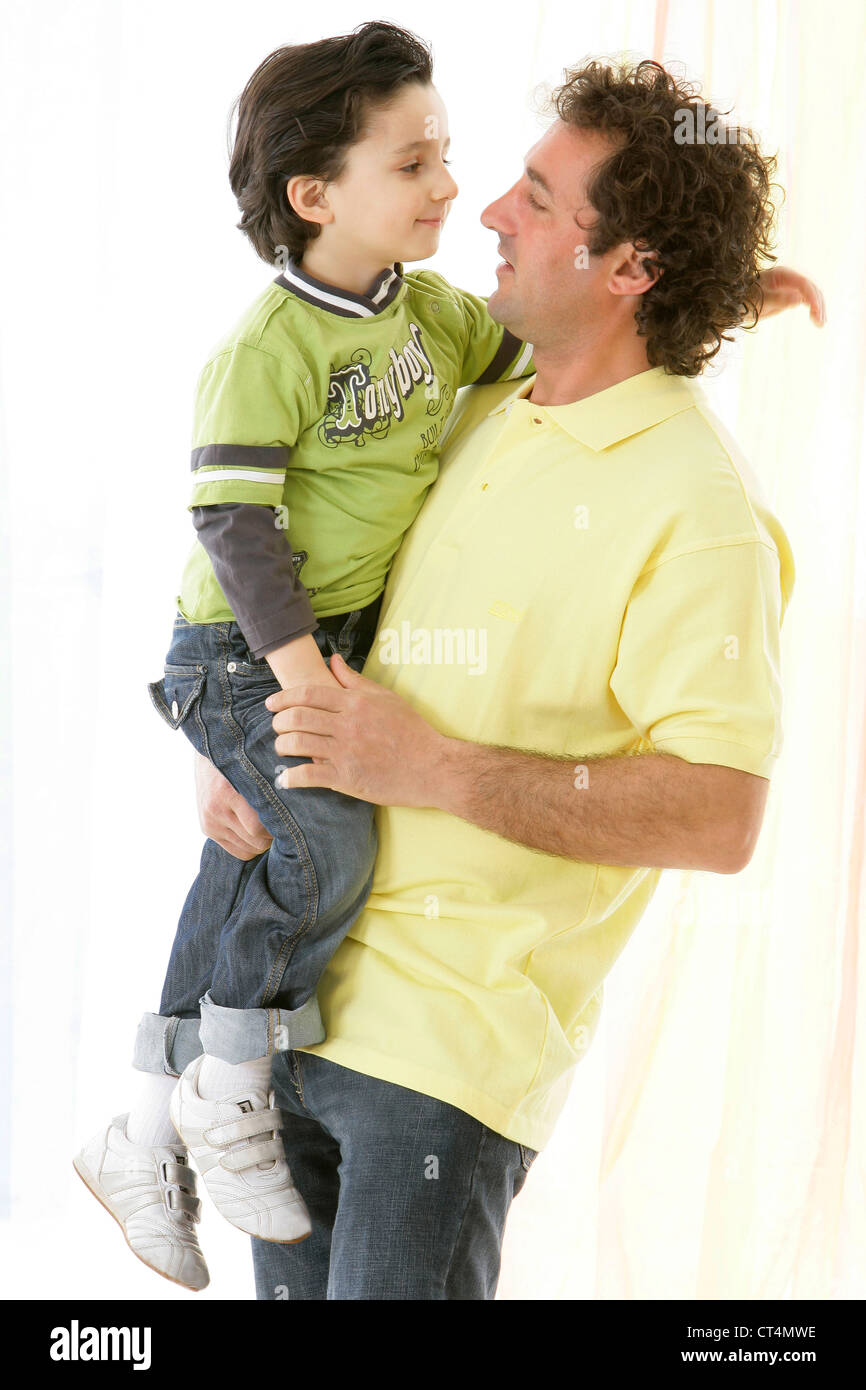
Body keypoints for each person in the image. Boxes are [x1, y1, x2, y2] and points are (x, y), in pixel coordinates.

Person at [198, 59, 822, 1300]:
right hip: (301, 1003)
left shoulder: (698, 513)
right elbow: (317, 586)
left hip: (444, 1066)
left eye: (537, 199)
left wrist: (423, 767)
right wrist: (254, 763)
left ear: (628, 267)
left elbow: (716, 814)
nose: (486, 210)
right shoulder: (475, 406)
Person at [72, 20, 536, 1292]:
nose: (449, 186)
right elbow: (232, 522)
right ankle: (230, 1091)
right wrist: (294, 674)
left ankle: (145, 1132)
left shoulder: (430, 316)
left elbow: (545, 351)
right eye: (415, 163)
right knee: (326, 840)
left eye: (446, 154)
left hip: (310, 647)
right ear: (315, 193)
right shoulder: (268, 346)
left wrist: (687, 300)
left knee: (256, 858)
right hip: (240, 641)